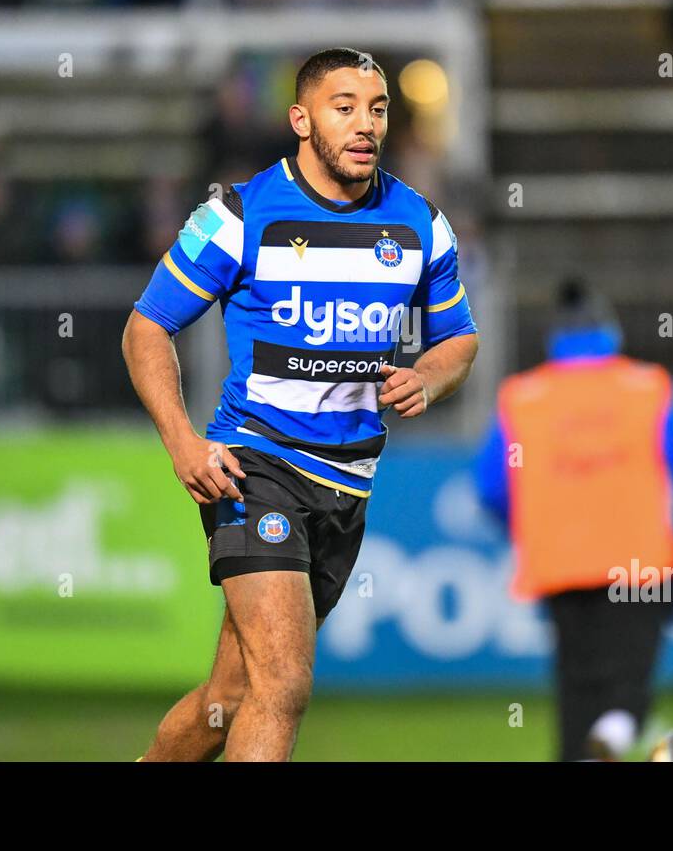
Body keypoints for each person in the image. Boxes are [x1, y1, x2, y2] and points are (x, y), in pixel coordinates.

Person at [123, 47, 479, 762]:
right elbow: (146, 328)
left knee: (225, 705)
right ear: (300, 119)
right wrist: (182, 442)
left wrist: (429, 378)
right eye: (343, 106)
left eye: (376, 109)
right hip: (256, 466)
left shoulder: (419, 225)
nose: (364, 124)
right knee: (284, 686)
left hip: (346, 485)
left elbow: (459, 340)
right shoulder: (239, 214)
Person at [475, 279, 673, 761]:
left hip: (559, 564)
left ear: (553, 339)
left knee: (577, 681)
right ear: (610, 332)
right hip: (638, 558)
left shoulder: (523, 396)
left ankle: (588, 743)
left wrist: (525, 530)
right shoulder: (648, 386)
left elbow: (490, 487)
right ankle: (618, 726)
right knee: (631, 675)